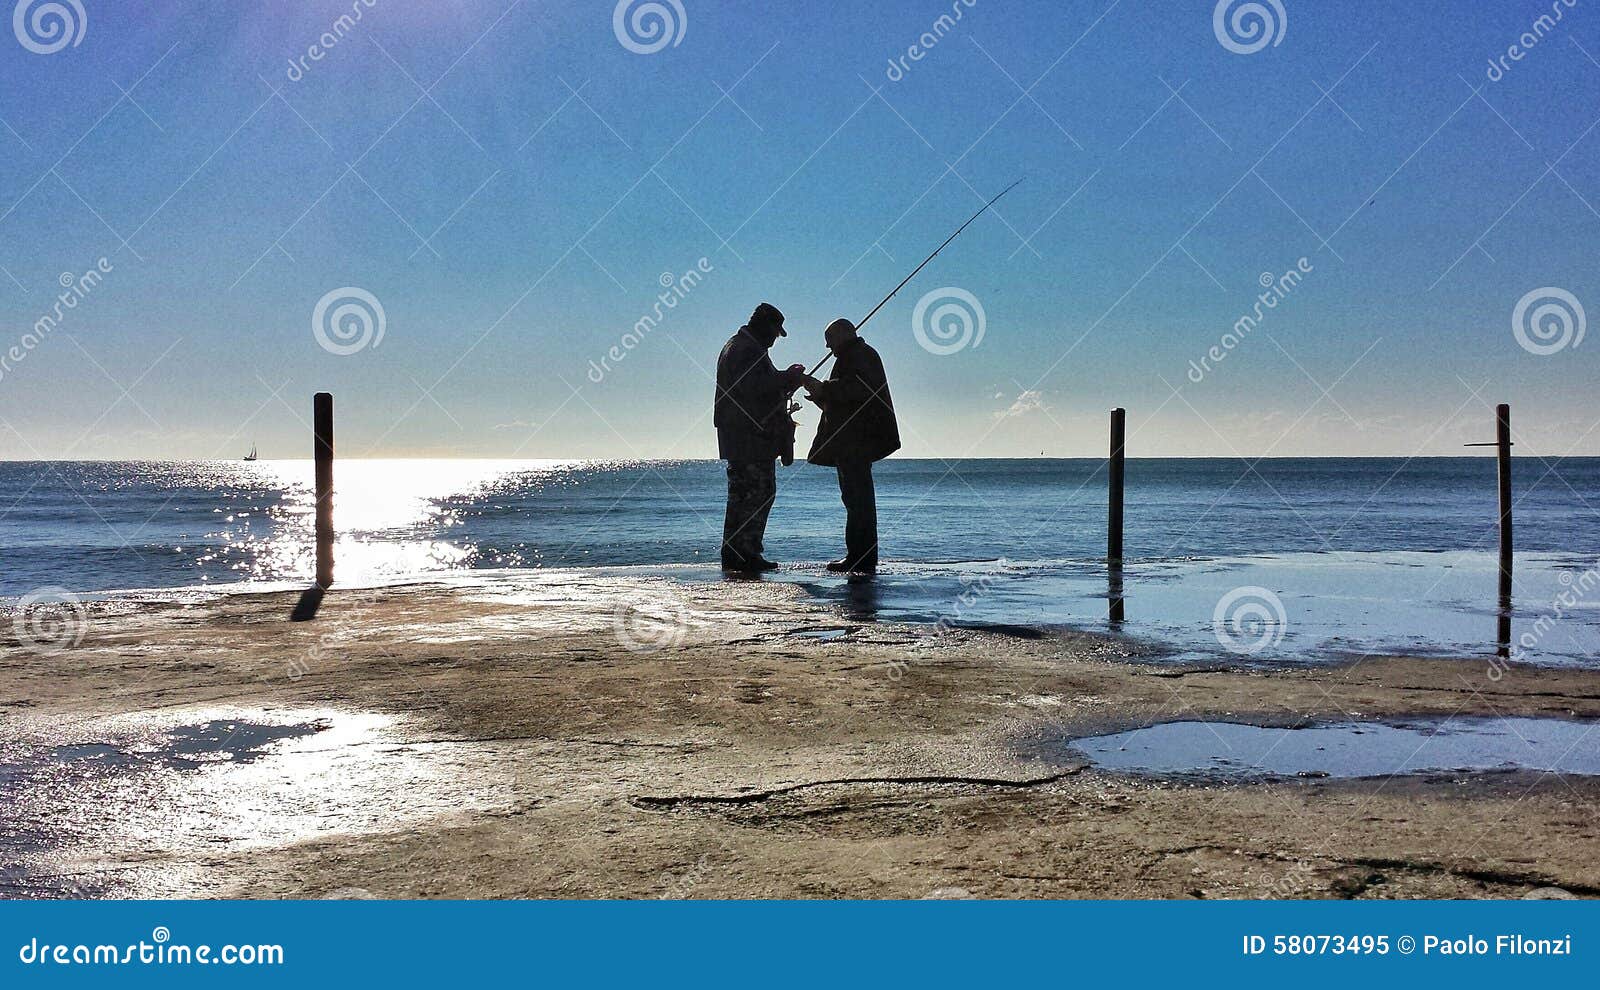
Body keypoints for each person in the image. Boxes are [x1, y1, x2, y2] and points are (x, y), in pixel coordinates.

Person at [801, 318, 900, 573]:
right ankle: (859, 556)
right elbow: (847, 397)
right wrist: (821, 395)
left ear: (843, 335)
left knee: (858, 500)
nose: (828, 347)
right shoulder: (855, 355)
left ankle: (860, 558)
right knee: (855, 499)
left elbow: (857, 390)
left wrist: (824, 388)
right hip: (852, 440)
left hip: (857, 440)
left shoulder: (861, 355)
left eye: (830, 340)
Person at [714, 302, 805, 573]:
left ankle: (738, 553)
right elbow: (752, 388)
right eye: (776, 333)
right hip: (749, 438)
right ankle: (746, 553)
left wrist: (785, 378)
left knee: (743, 496)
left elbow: (757, 384)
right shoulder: (745, 350)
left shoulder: (741, 346)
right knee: (757, 493)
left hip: (744, 437)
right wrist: (786, 378)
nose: (776, 340)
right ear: (766, 327)